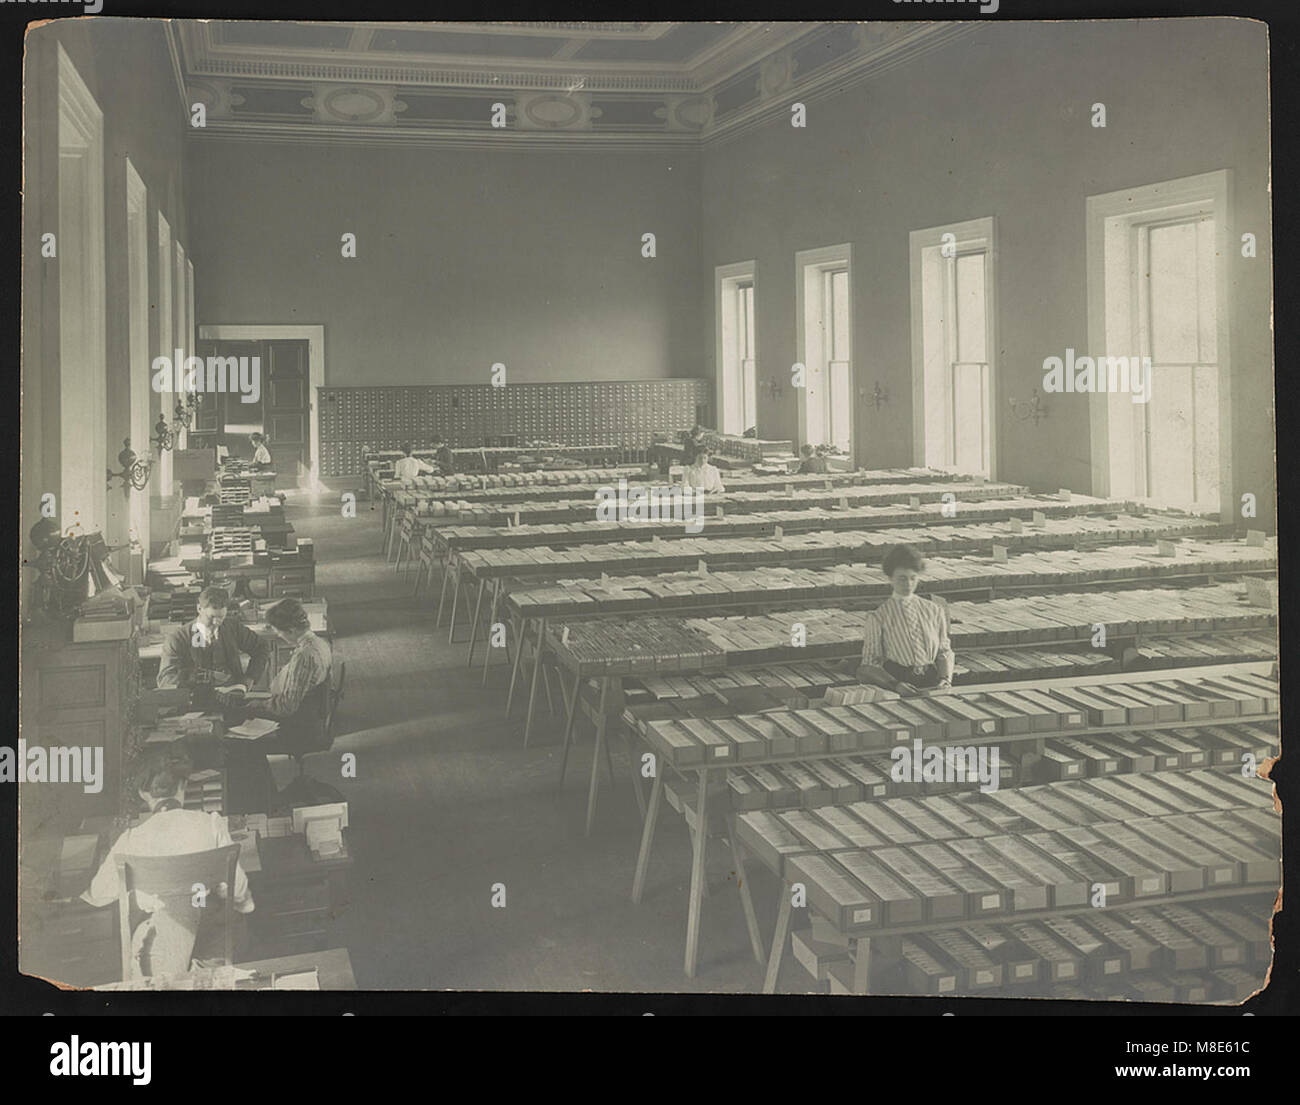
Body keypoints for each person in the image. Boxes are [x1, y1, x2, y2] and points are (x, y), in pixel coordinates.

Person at [81, 745, 254, 978]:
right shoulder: (211, 824)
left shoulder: (131, 840)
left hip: (159, 955)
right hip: (214, 946)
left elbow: (99, 894)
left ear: (143, 793)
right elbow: (239, 892)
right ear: (184, 786)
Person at [856, 544, 955, 695]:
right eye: (902, 579)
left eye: (913, 578)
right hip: (897, 683)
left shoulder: (934, 610)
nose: (908, 584)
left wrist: (945, 679)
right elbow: (869, 665)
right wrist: (895, 685)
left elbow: (944, 651)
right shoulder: (878, 616)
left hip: (932, 682)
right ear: (891, 579)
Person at [157, 587, 269, 691]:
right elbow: (166, 679)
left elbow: (261, 647)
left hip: (232, 695)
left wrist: (251, 676)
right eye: (212, 617)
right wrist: (198, 678)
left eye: (221, 617)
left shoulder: (232, 628)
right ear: (199, 609)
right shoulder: (178, 638)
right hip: (195, 700)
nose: (217, 623)